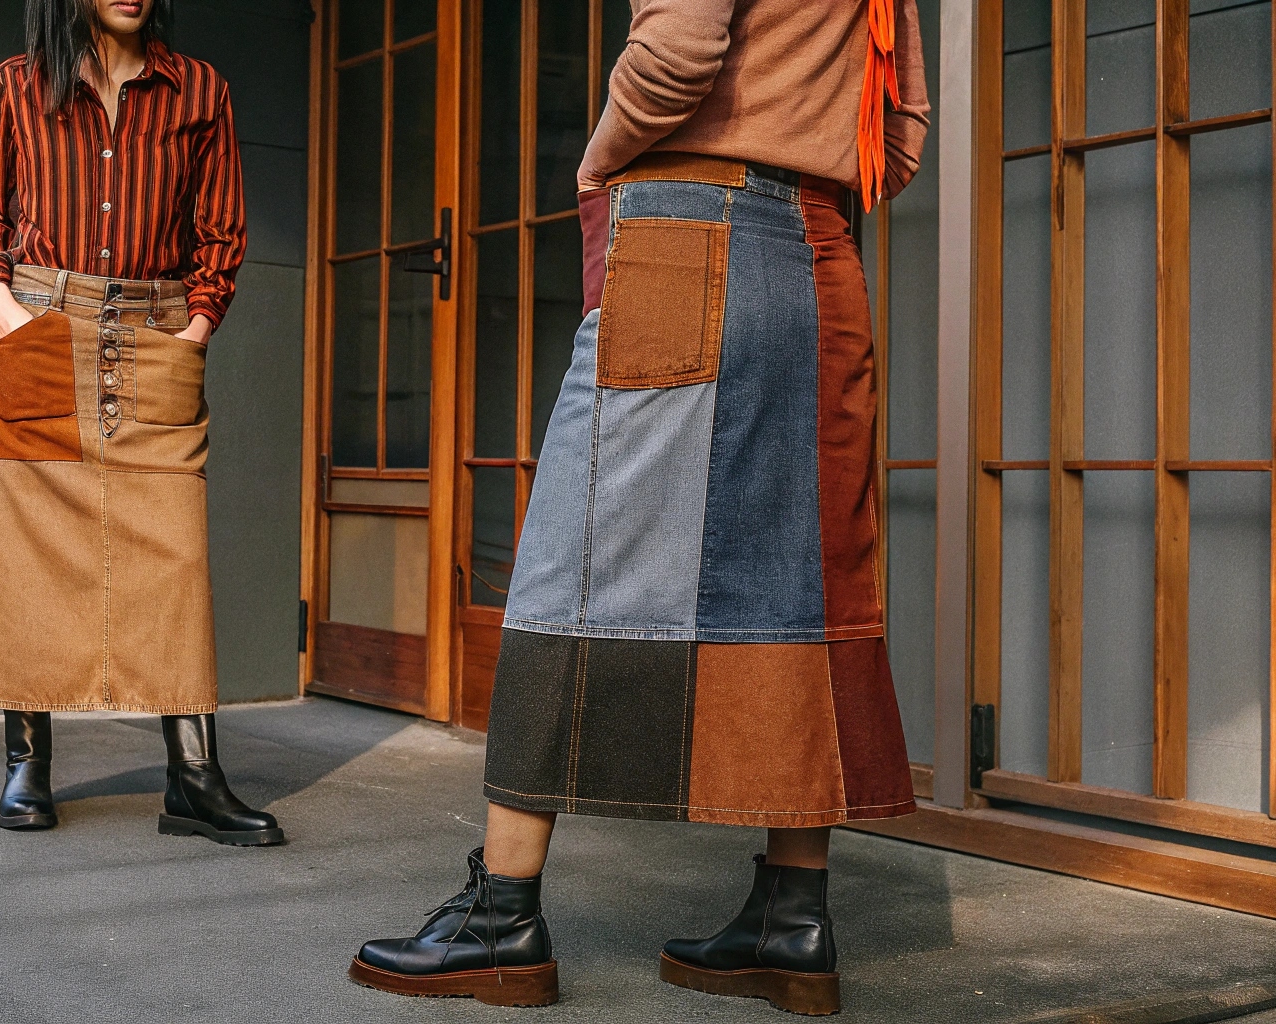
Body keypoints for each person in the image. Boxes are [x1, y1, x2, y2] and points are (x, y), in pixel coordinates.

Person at [350, 0, 930, 1014]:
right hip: (816, 258)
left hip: (685, 233)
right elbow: (901, 132)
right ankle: (791, 917)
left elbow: (676, 52)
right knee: (798, 571)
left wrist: (597, 160)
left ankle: (502, 915)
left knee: (564, 569)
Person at [0, 0, 280, 847]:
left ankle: (195, 778)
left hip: (154, 330)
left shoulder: (200, 89)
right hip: (41, 327)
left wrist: (195, 328)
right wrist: (4, 311)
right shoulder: (15, 86)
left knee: (173, 556)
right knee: (32, 547)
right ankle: (27, 764)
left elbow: (220, 231)